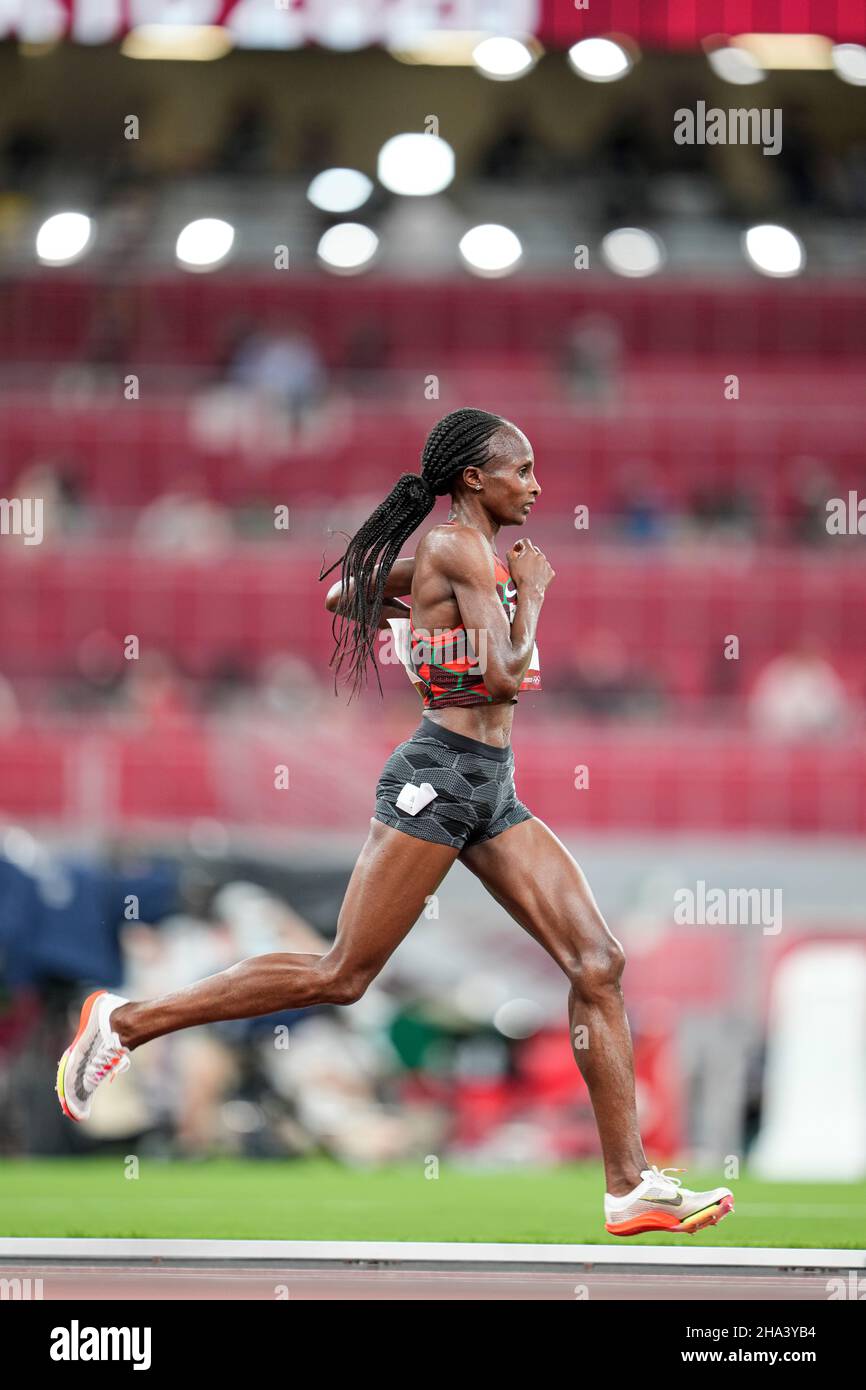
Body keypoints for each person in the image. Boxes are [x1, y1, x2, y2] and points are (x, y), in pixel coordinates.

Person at [55, 408, 733, 1237]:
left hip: (490, 787)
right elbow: (506, 673)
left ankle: (628, 1185)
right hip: (438, 782)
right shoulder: (459, 548)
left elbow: (348, 594)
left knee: (598, 962)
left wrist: (423, 636)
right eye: (522, 469)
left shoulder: (455, 560)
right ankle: (124, 1021)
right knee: (342, 973)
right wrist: (534, 597)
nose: (537, 484)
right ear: (475, 481)